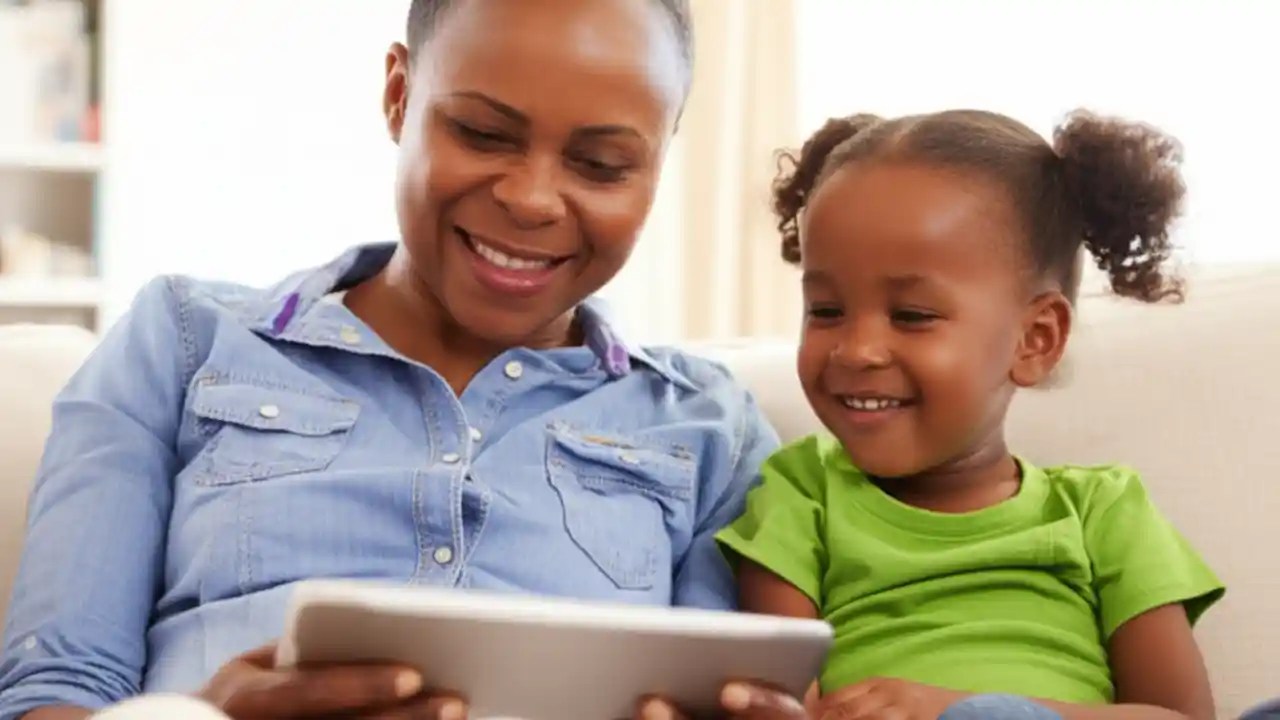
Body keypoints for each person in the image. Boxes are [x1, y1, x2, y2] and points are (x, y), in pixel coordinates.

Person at [0, 1, 800, 718]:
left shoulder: (712, 428)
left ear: (659, 164)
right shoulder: (182, 342)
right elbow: (57, 688)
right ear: (398, 94)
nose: (530, 198)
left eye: (600, 165)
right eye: (484, 134)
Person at [713, 109, 1226, 720]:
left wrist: (960, 708)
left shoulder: (1104, 511)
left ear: (1034, 339)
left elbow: (1182, 718)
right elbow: (782, 700)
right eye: (826, 311)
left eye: (911, 316)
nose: (856, 350)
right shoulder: (800, 494)